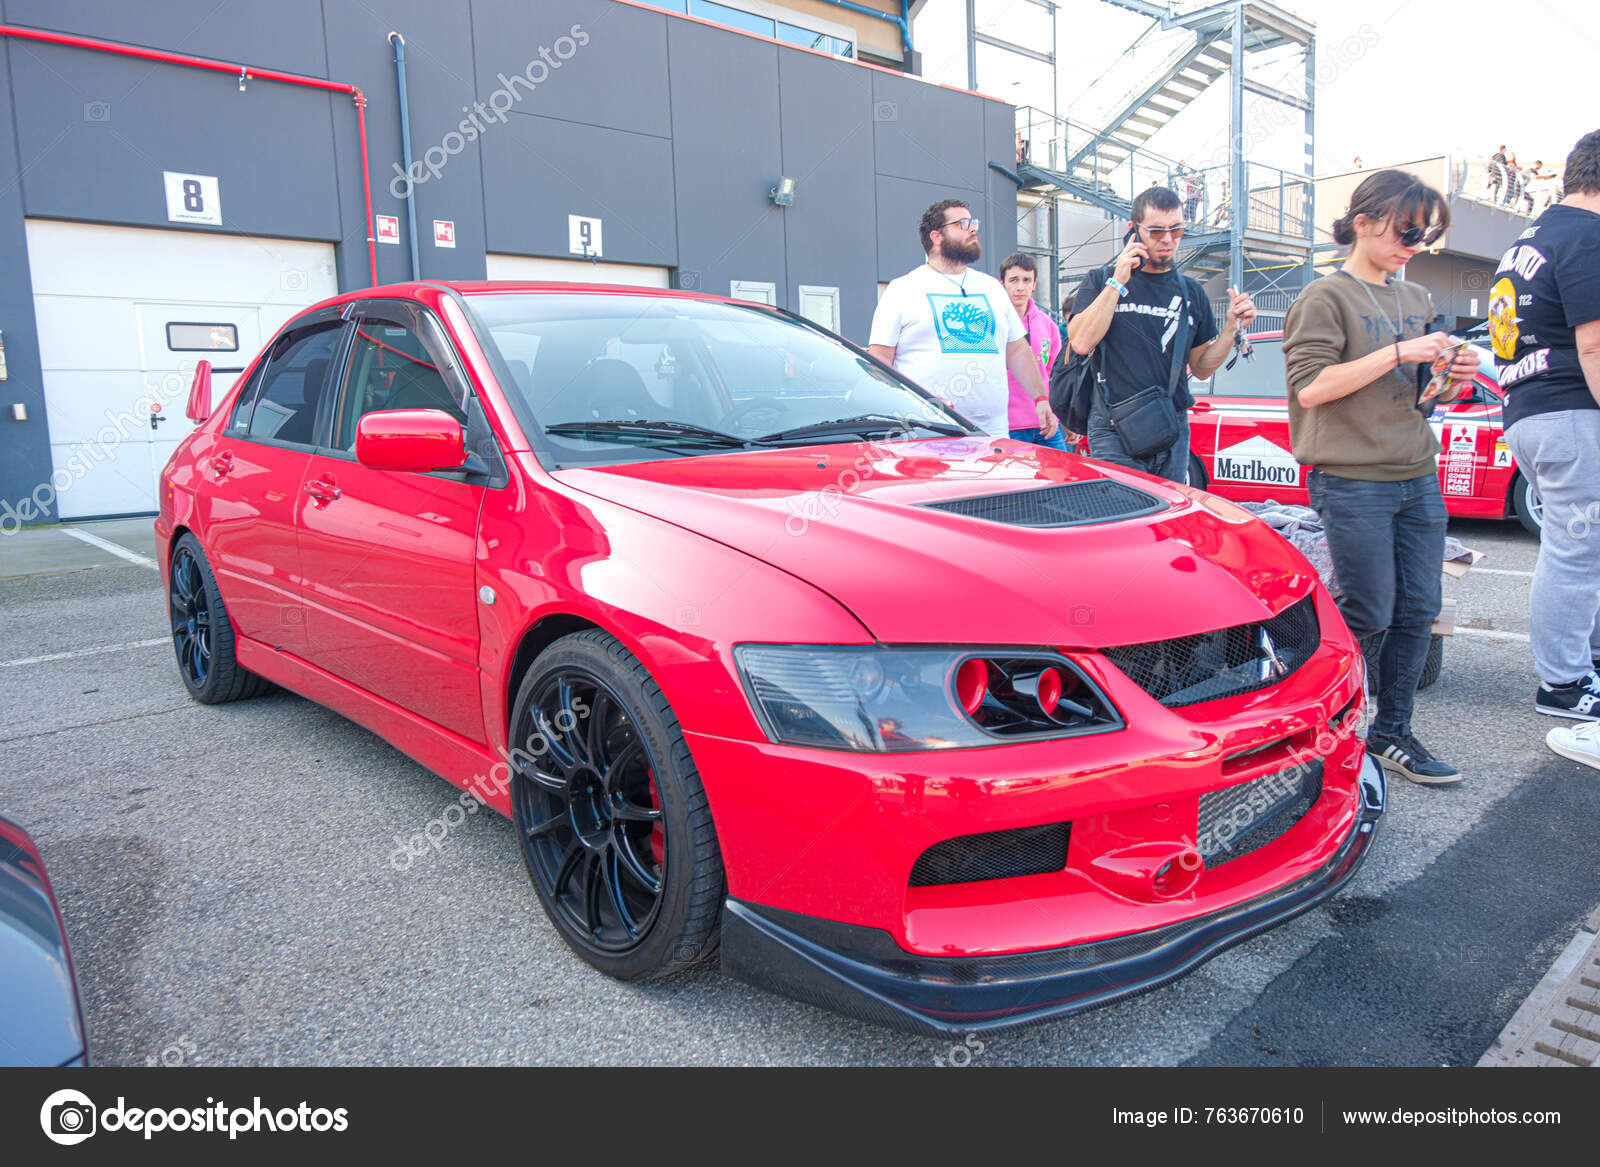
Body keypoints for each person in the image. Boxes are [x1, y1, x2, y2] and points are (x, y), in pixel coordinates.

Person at [1282, 169, 1480, 786]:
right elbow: (1312, 388)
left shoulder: (1415, 298)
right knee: (1368, 608)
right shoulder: (1324, 297)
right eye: (1407, 229)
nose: (1415, 243)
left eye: (1427, 234)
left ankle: (1392, 732)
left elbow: (1422, 399)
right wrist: (1399, 352)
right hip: (1350, 475)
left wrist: (1456, 372)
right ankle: (1323, 716)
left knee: (1419, 607)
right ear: (1363, 222)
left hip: (1415, 468)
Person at [1495, 130, 1600, 770]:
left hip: (1530, 408)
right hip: (1570, 410)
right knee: (1577, 547)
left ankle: (1578, 669)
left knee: (1578, 544)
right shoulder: (1587, 236)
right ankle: (1564, 683)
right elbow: (1593, 346)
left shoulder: (1531, 237)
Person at [1062, 186, 1255, 481]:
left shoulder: (1191, 292)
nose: (1167, 240)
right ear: (1134, 231)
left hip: (1171, 426)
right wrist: (1117, 281)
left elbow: (1202, 368)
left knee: (1166, 522)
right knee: (1123, 522)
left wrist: (1230, 329)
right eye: (1156, 231)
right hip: (1114, 426)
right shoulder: (1100, 280)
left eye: (1176, 231)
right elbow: (1081, 342)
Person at [868, 200, 1052, 438]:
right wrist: (911, 404)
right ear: (936, 236)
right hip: (927, 431)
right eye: (962, 224)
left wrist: (1041, 398)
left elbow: (1017, 350)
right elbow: (879, 361)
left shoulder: (991, 288)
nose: (973, 229)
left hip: (992, 432)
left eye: (973, 222)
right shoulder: (903, 289)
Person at [999, 252, 1070, 450]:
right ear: (1002, 283)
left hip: (1046, 424)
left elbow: (1054, 376)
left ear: (1035, 284)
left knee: (1061, 478)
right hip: (1008, 427)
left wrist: (1062, 417)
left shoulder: (1048, 326)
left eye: (1026, 280)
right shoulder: (993, 324)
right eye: (1013, 280)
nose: (1020, 287)